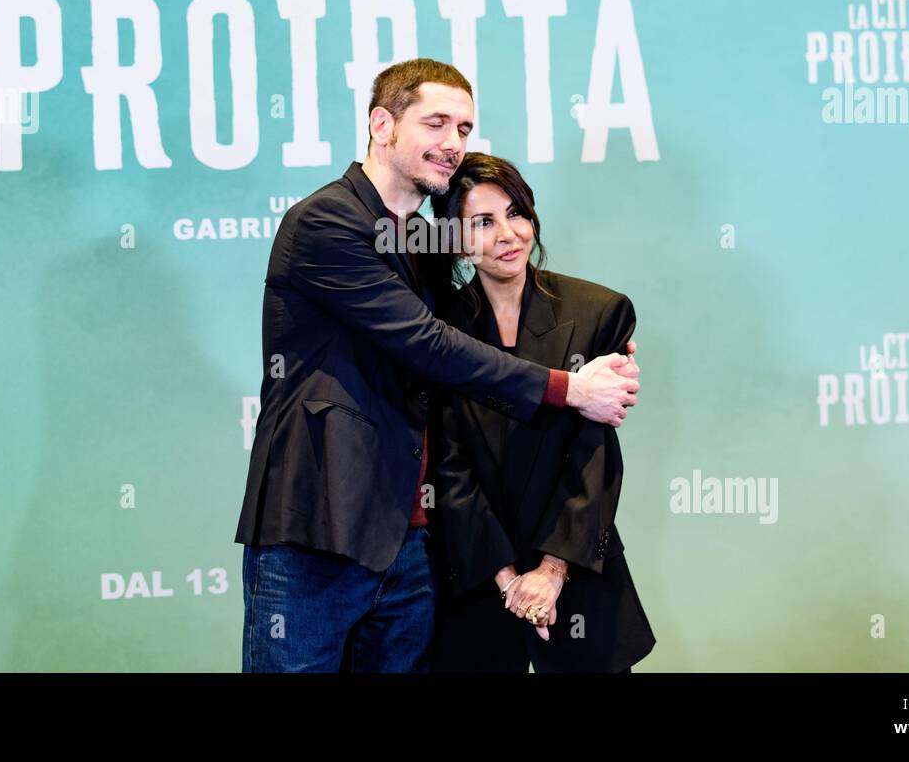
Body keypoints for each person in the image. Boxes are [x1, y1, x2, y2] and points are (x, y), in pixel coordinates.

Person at [234, 59, 641, 673]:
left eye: (465, 128)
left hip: (413, 541)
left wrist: (601, 360)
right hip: (318, 530)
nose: (453, 143)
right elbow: (428, 342)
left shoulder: (419, 242)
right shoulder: (327, 222)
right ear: (382, 125)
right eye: (436, 123)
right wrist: (569, 387)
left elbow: (485, 316)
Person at [427, 152, 656, 673]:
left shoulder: (599, 310)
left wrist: (551, 572)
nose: (508, 234)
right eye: (482, 222)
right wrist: (508, 580)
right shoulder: (439, 331)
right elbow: (449, 464)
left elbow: (593, 454)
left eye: (517, 213)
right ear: (457, 238)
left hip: (578, 569)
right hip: (481, 577)